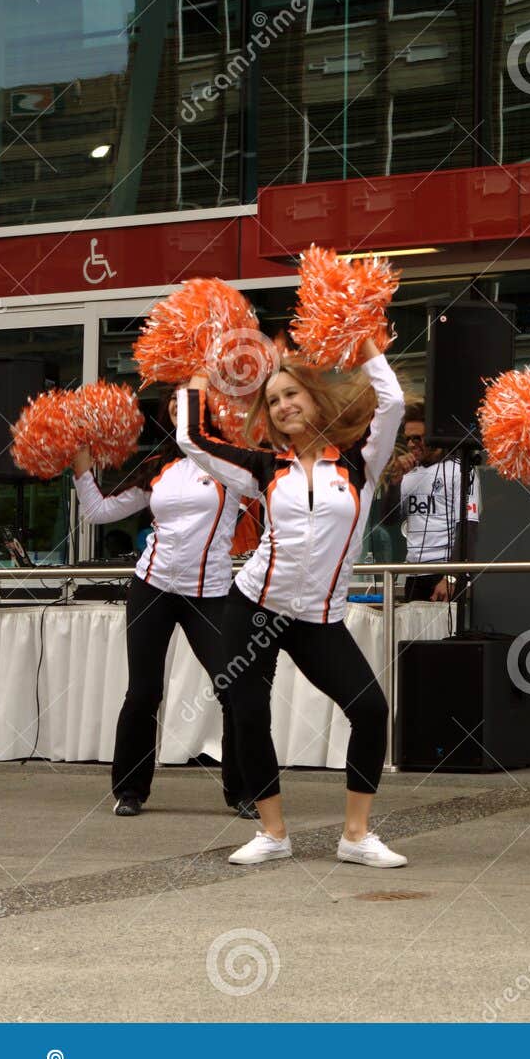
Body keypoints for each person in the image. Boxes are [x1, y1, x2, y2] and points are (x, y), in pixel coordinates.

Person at [179, 332, 407, 868]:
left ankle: (356, 835)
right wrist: (197, 370)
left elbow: (392, 402)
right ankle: (273, 832)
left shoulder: (360, 463)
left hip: (319, 619)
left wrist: (367, 343)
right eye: (273, 400)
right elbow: (192, 439)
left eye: (291, 394)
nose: (283, 406)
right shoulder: (264, 468)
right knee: (248, 712)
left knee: (371, 710)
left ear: (313, 395)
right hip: (254, 607)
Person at [71, 390, 255, 819]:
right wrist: (80, 463)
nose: (179, 408)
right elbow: (98, 511)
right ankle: (130, 790)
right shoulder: (158, 466)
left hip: (208, 592)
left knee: (233, 686)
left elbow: (277, 500)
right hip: (151, 587)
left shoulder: (233, 465)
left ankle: (245, 791)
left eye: (188, 402)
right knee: (143, 691)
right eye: (173, 405)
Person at [380, 402, 479, 603]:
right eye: (407, 439)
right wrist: (394, 483)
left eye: (418, 438)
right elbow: (387, 520)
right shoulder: (408, 474)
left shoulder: (461, 470)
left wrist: (452, 576)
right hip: (414, 573)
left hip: (444, 573)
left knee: (443, 634)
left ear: (434, 435)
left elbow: (469, 527)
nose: (410, 445)